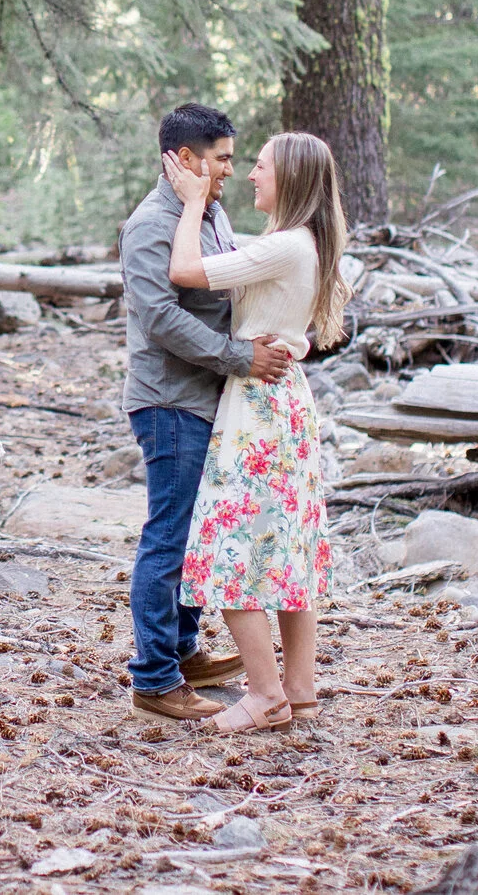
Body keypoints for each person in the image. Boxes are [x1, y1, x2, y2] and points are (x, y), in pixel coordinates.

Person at [162, 130, 346, 733]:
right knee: (283, 552)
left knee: (232, 550)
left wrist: (192, 202)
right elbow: (226, 253)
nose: (249, 176)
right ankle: (299, 689)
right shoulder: (291, 243)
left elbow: (186, 269)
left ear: (288, 178)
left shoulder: (288, 246)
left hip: (261, 411)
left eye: (260, 167)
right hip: (282, 405)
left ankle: (266, 696)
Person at [119, 104, 296, 721]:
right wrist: (238, 358)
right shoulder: (149, 226)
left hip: (207, 398)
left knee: (197, 536)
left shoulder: (210, 213)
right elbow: (160, 319)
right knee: (169, 537)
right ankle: (154, 679)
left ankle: (184, 651)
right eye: (221, 157)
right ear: (186, 159)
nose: (229, 170)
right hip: (170, 401)